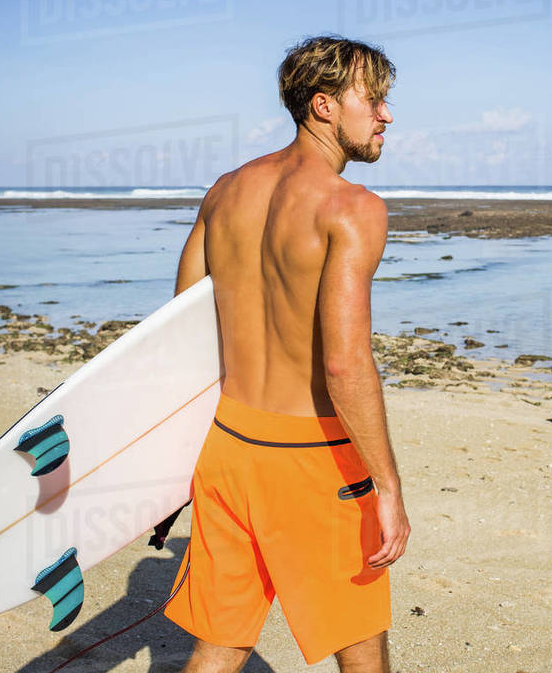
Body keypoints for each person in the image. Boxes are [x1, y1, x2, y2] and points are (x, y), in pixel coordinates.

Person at [163, 35, 410, 673]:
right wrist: (387, 484)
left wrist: (168, 467)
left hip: (228, 447)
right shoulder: (352, 208)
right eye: (374, 99)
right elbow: (344, 363)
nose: (387, 114)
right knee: (362, 647)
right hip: (312, 459)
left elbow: (182, 329)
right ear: (324, 107)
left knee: (221, 643)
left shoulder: (224, 191)